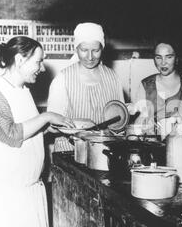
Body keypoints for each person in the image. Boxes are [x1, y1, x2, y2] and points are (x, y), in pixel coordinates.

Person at [0, 36, 74, 227]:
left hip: (30, 192)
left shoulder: (22, 89)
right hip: (8, 198)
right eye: (38, 61)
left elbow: (31, 132)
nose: (42, 68)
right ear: (20, 59)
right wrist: (47, 116)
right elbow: (11, 134)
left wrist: (66, 125)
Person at [47, 22, 125, 151]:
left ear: (102, 48)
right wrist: (80, 125)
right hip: (69, 152)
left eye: (95, 50)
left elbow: (120, 121)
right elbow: (52, 125)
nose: (90, 57)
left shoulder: (112, 77)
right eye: (84, 50)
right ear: (76, 48)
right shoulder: (63, 79)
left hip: (103, 153)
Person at [132, 40, 182, 137]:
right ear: (154, 59)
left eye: (169, 57)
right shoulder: (145, 85)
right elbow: (141, 121)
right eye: (158, 57)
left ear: (177, 58)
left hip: (181, 145)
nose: (163, 63)